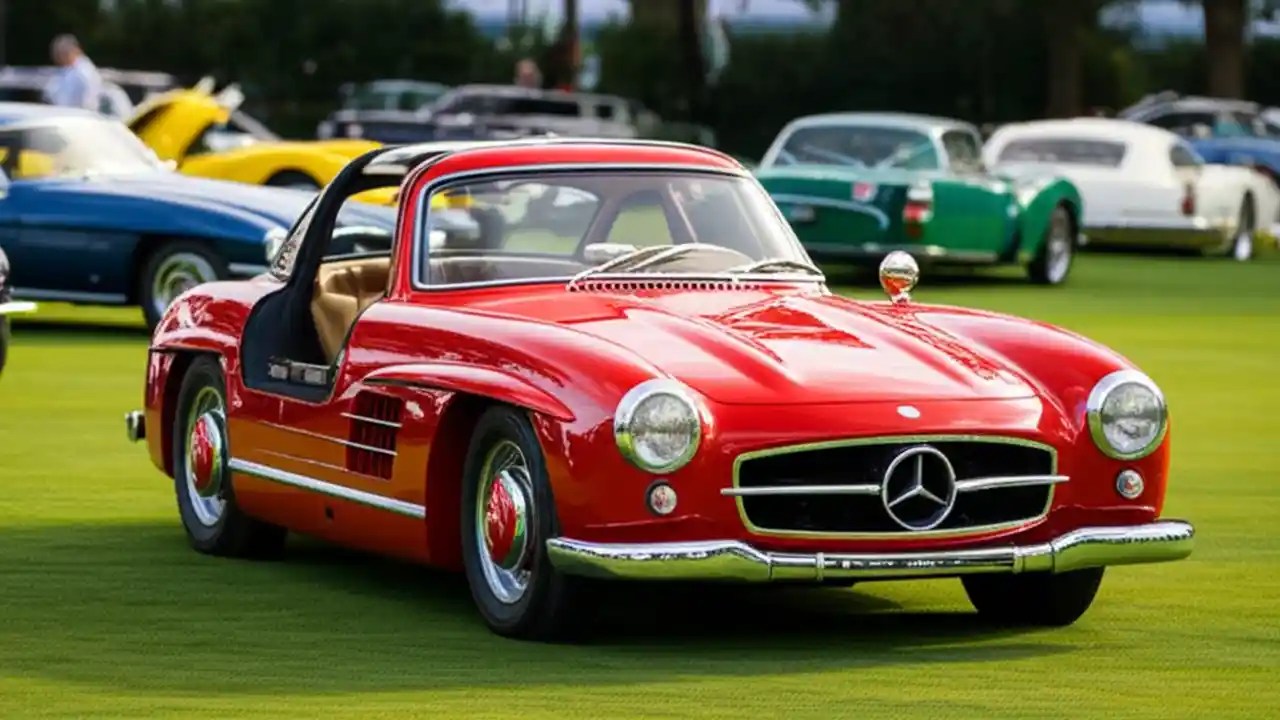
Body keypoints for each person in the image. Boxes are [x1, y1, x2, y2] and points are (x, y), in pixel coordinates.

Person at [43, 34, 102, 112]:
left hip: (80, 117)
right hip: (65, 114)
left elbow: (87, 100)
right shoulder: (68, 69)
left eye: (61, 53)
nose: (58, 58)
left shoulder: (85, 71)